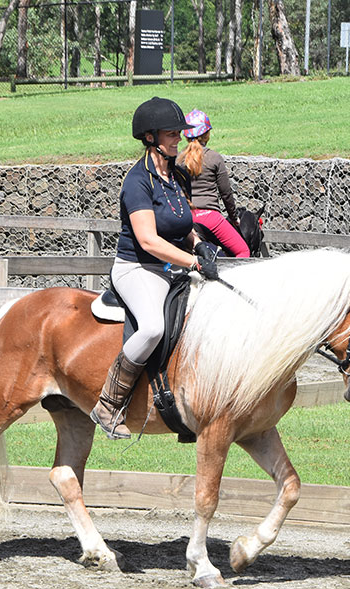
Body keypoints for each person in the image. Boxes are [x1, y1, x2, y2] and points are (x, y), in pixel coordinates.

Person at [90, 97, 219, 440]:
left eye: (179, 132)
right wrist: (192, 261)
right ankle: (108, 403)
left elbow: (180, 223)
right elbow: (148, 240)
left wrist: (197, 242)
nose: (179, 138)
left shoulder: (177, 176)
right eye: (172, 133)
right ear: (150, 137)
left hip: (173, 268)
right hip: (138, 268)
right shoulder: (137, 182)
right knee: (150, 328)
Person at [179, 109, 249, 258]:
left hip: (186, 218)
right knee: (243, 252)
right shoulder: (214, 157)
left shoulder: (178, 160)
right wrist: (234, 217)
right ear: (206, 134)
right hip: (211, 218)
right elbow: (226, 193)